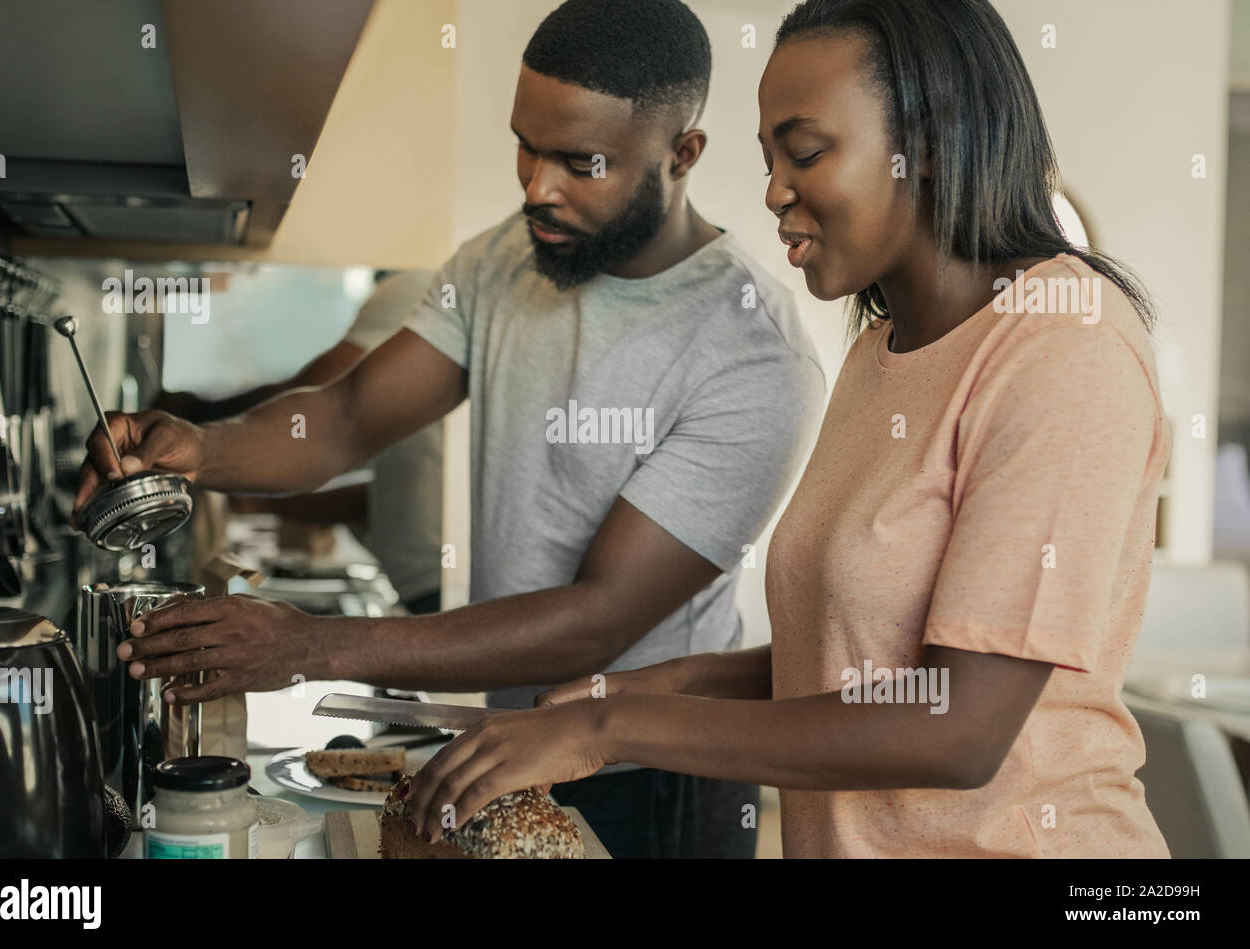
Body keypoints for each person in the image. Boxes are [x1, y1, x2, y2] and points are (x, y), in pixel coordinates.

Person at [399, 0, 1172, 859]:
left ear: (933, 139)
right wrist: (649, 685)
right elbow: (850, 663)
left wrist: (616, 726)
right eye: (769, 158)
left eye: (805, 152)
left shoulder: (1065, 343)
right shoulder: (882, 349)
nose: (774, 190)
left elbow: (959, 724)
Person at [75, 0, 824, 859]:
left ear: (681, 153)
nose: (536, 186)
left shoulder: (749, 351)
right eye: (525, 144)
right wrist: (204, 446)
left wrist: (308, 645)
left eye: (579, 162)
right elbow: (348, 416)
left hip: (650, 783)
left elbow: (597, 619)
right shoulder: (506, 256)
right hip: (506, 749)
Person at [159, 270, 444, 616]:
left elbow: (326, 405)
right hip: (429, 592)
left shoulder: (415, 286)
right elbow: (378, 503)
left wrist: (197, 420)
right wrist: (258, 499)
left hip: (441, 593)